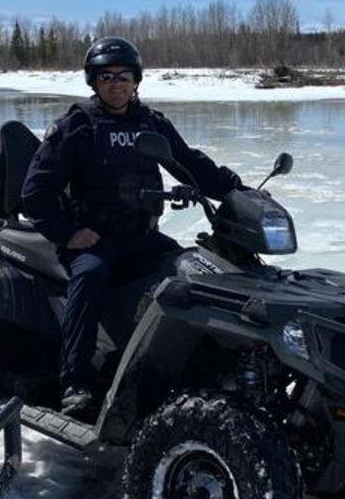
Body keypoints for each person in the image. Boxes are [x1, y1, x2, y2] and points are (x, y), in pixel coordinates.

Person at [21, 36, 246, 420]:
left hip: (142, 236)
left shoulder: (150, 123)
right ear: (93, 81)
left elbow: (189, 162)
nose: (116, 83)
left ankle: (203, 364)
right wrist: (68, 233)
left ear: (136, 79)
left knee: (197, 270)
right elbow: (35, 193)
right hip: (94, 239)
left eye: (124, 75)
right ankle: (75, 380)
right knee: (89, 277)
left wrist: (237, 191)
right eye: (106, 76)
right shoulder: (77, 126)